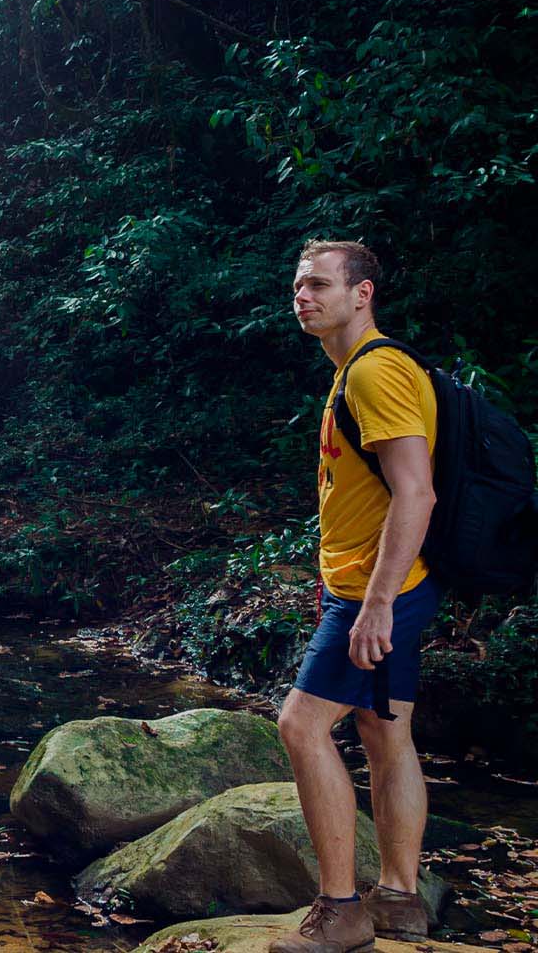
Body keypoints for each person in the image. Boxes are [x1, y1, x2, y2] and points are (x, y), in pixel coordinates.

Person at [273, 240, 440, 953]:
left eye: (318, 284)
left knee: (302, 728)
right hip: (387, 585)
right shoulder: (354, 374)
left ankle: (340, 912)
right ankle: (400, 899)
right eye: (298, 286)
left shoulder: (376, 373)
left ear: (363, 293)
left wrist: (373, 604)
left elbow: (417, 490)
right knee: (384, 732)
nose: (302, 296)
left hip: (380, 592)